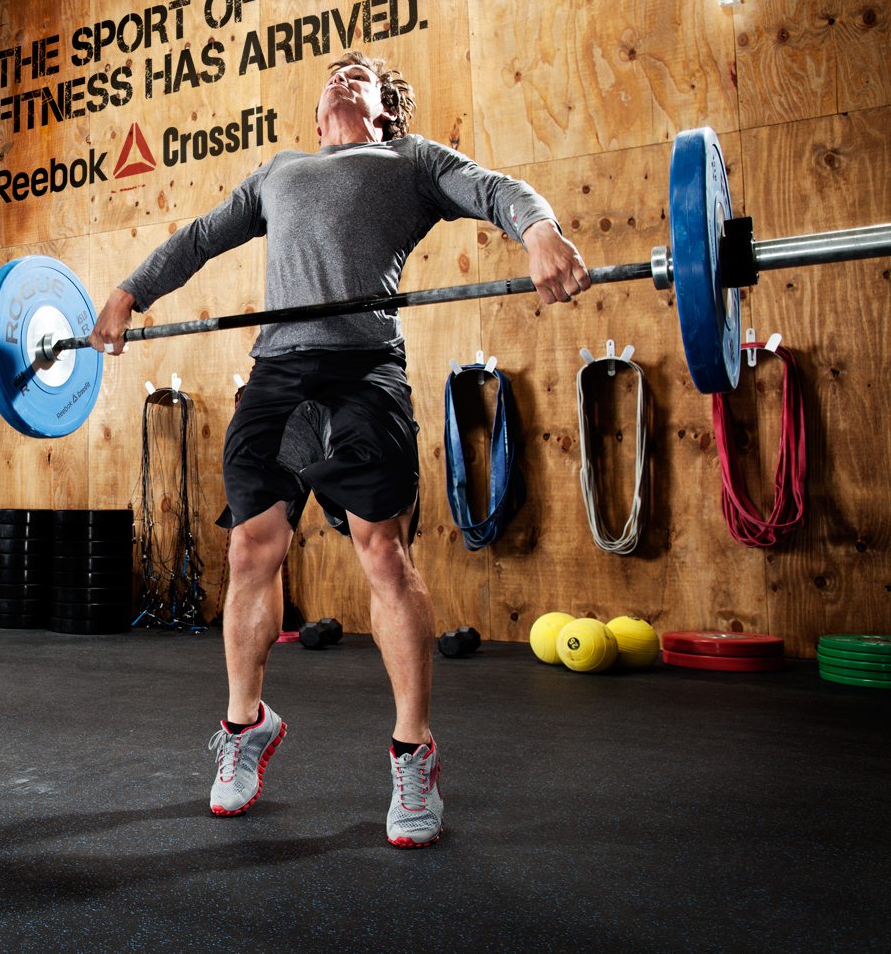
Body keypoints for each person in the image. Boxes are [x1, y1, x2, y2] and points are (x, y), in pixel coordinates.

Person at [90, 50, 591, 846]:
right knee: (253, 547)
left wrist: (540, 232)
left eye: (357, 70)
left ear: (384, 106)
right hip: (279, 375)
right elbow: (198, 239)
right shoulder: (278, 171)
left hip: (366, 371)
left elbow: (495, 190)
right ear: (316, 113)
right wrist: (125, 293)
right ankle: (243, 725)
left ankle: (413, 748)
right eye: (333, 71)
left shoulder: (410, 160)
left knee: (382, 552)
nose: (339, 73)